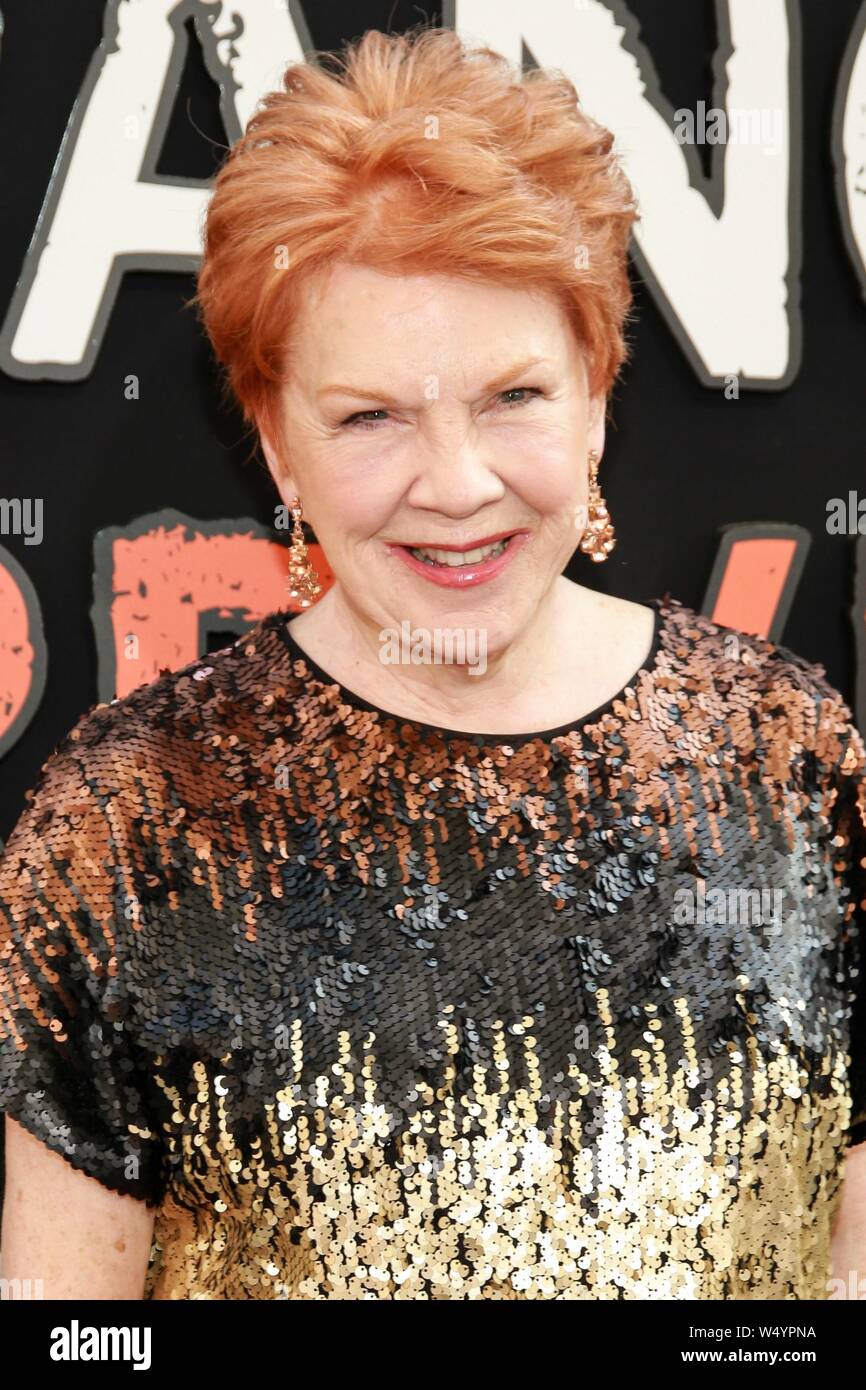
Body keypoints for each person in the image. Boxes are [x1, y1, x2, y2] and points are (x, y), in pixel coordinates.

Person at [1, 25, 864, 1301]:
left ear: (596, 392)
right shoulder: (131, 826)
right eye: (368, 418)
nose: (455, 488)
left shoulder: (785, 761)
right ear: (275, 445)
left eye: (512, 397)